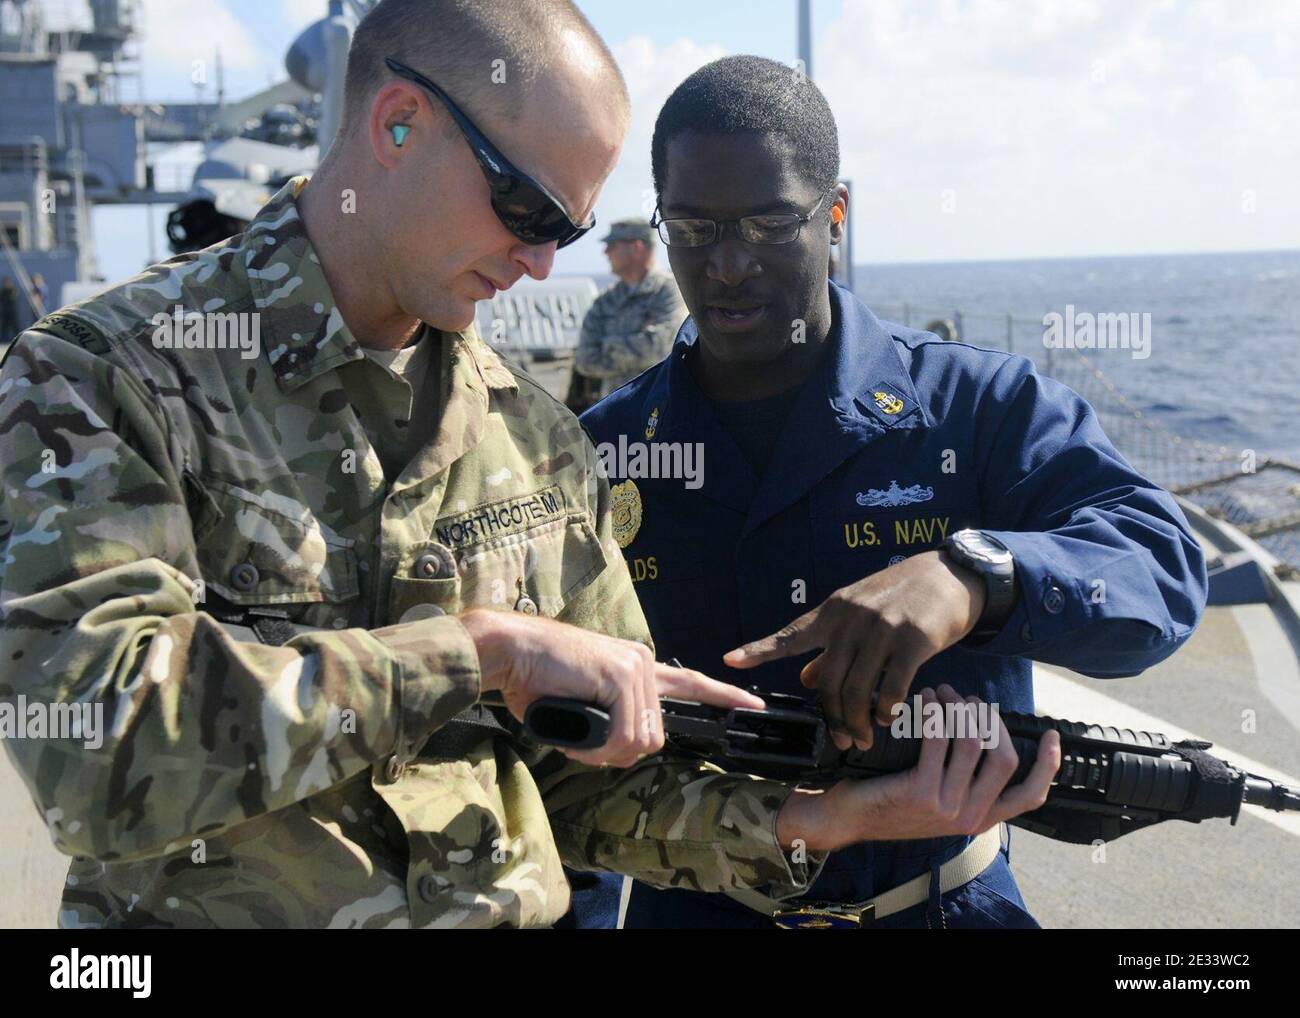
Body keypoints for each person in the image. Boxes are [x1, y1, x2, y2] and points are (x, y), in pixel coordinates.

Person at [0, 1, 1026, 930]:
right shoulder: (104, 377)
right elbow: (89, 742)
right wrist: (478, 652)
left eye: (570, 231)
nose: (542, 263)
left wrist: (834, 818)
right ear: (397, 124)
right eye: (528, 210)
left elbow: (595, 786)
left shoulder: (532, 436)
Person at [580, 55, 1207, 929]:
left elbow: (1161, 564)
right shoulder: (603, 454)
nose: (727, 265)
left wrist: (974, 577)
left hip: (944, 905)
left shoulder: (977, 409)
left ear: (835, 215)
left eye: (768, 222)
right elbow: (567, 750)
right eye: (692, 227)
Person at [565, 219, 685, 414]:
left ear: (637, 247)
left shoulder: (671, 291)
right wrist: (638, 343)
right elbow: (585, 360)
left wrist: (608, 345)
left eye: (612, 246)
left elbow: (662, 346)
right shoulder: (605, 301)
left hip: (661, 412)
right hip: (615, 413)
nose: (606, 253)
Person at [0, 278, 17, 348]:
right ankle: (3, 340)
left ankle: (17, 339)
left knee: (15, 326)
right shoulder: (2, 291)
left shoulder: (13, 290)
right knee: (4, 327)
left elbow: (13, 298)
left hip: (12, 312)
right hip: (4, 312)